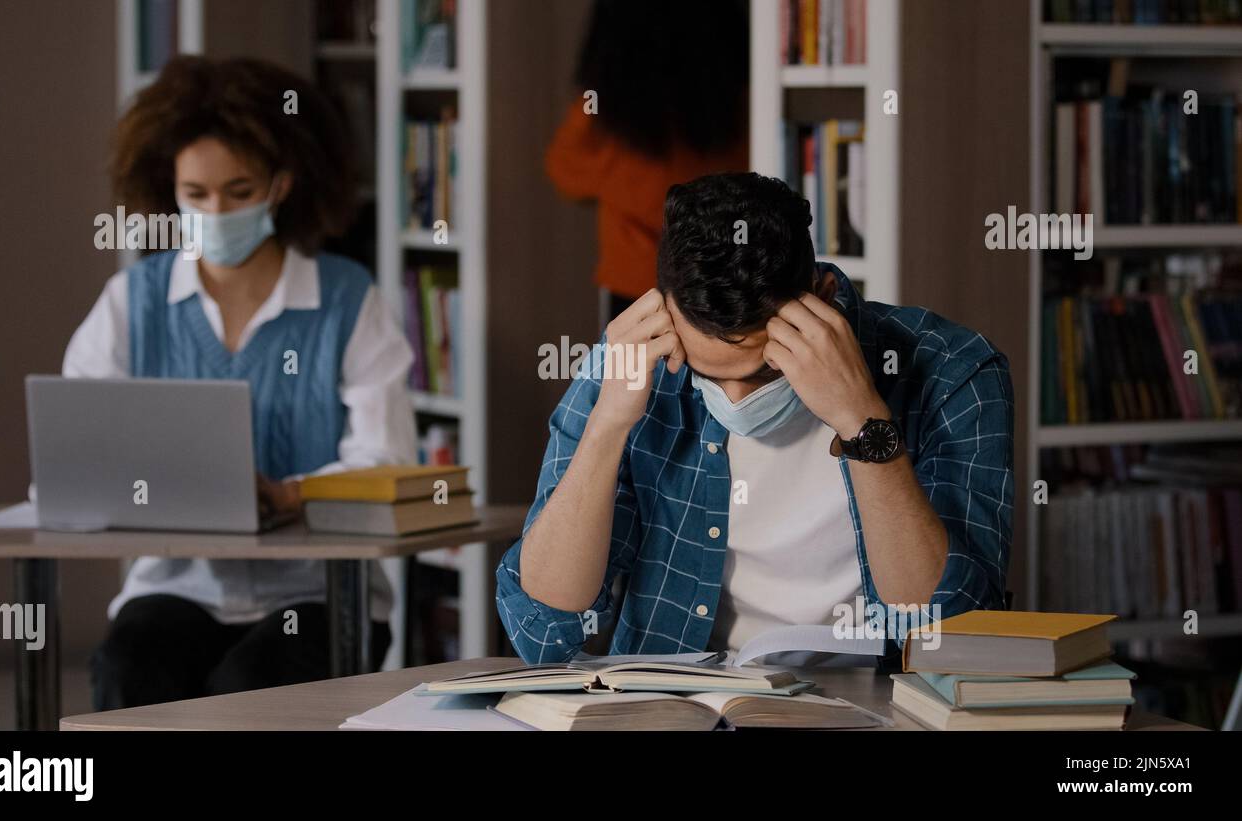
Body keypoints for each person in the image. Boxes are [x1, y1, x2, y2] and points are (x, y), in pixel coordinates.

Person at [497, 172, 1014, 664]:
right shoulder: (633, 362)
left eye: (765, 370)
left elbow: (946, 636)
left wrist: (862, 419)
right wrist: (608, 425)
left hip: (873, 706)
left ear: (823, 298)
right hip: (679, 708)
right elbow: (544, 631)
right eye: (708, 374)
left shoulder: (954, 370)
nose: (737, 397)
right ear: (664, 310)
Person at [65, 56, 416, 708]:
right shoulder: (131, 302)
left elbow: (387, 459)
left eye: (239, 191)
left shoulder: (347, 301)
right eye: (195, 194)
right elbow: (77, 442)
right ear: (167, 185)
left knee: (253, 688)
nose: (215, 211)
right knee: (128, 666)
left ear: (281, 186)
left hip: (317, 593)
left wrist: (288, 495)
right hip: (178, 587)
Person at [545, 0, 749, 320]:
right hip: (721, 277)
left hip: (635, 282)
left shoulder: (604, 104)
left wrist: (618, 180)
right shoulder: (735, 95)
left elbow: (565, 171)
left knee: (629, 369)